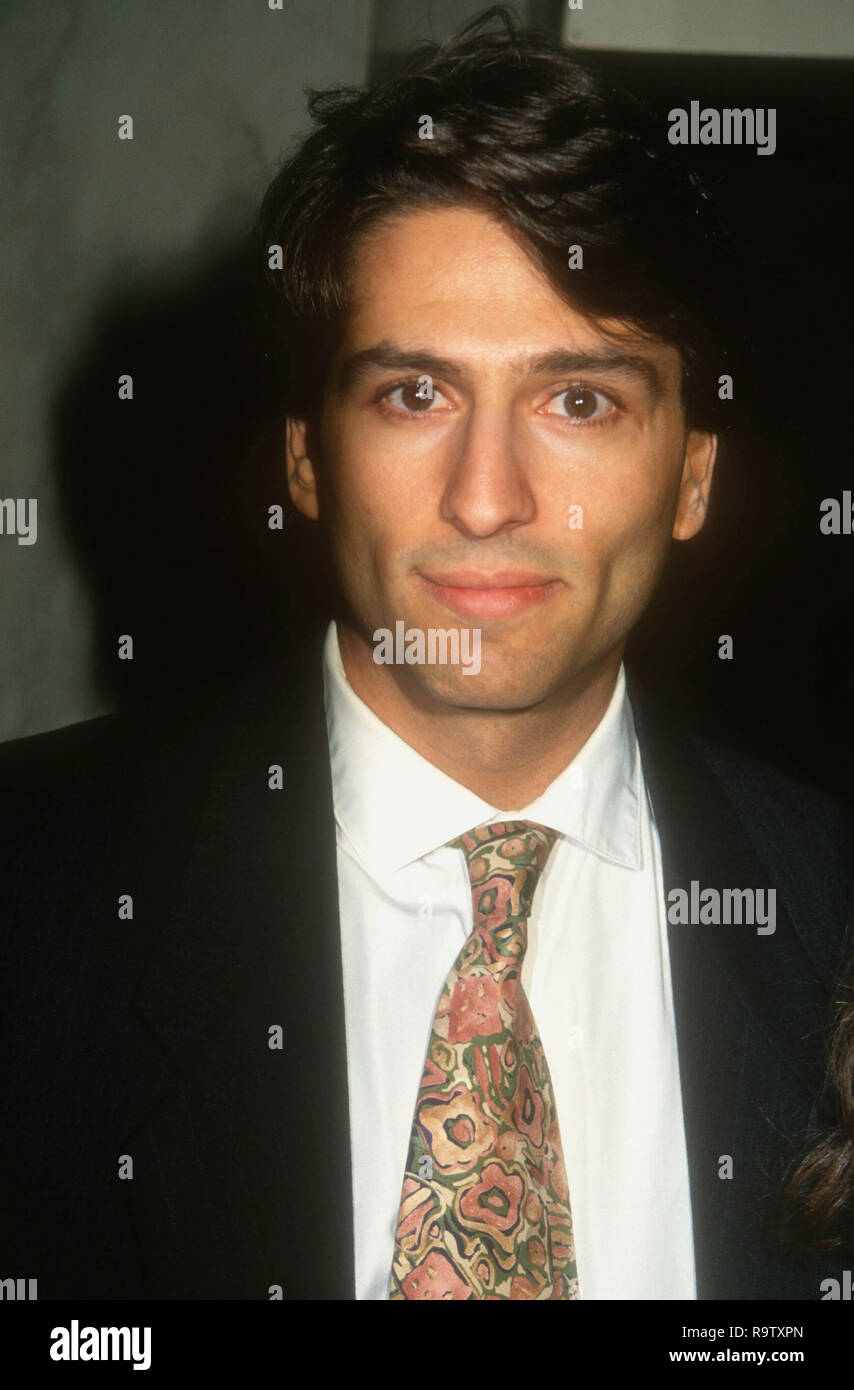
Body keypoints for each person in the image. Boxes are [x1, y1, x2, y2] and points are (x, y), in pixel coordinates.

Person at [1, 13, 852, 1301]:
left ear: (692, 474)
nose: (488, 496)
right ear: (305, 460)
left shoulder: (830, 914)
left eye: (581, 400)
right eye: (415, 394)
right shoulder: (36, 897)